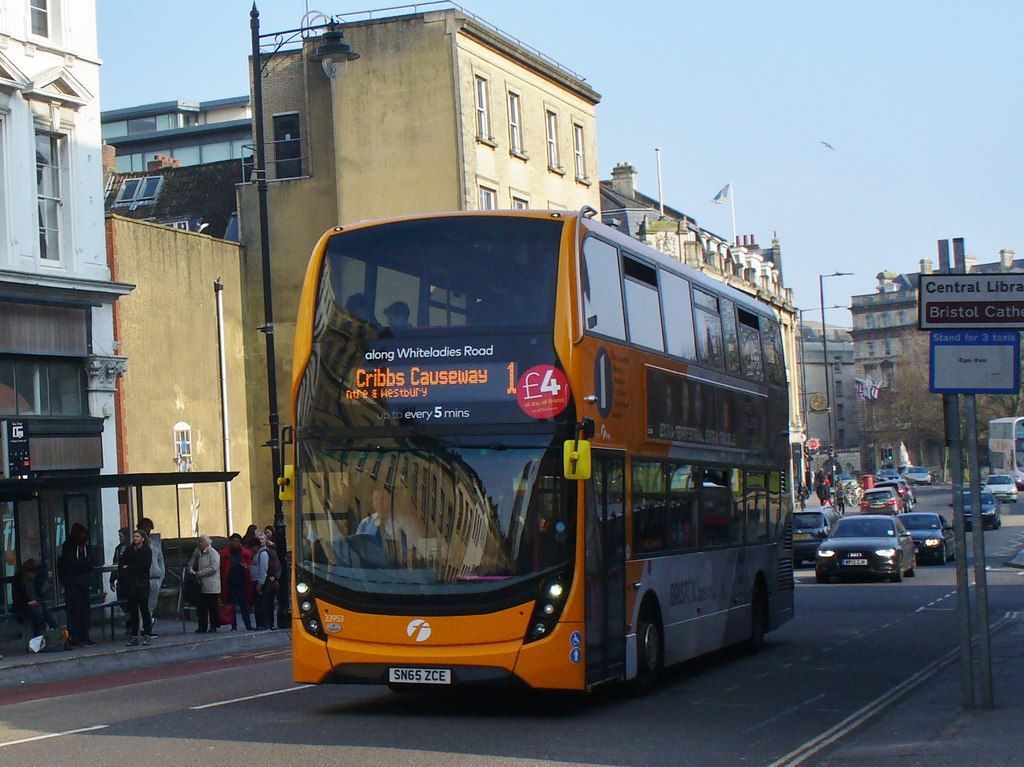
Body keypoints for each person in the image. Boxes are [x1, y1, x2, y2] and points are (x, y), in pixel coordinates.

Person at [57, 522, 95, 647]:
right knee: (74, 612)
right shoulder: (68, 547)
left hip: (83, 584)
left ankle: (84, 636)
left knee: (85, 611)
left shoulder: (86, 548)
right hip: (72, 584)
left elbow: (90, 564)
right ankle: (74, 636)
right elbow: (70, 564)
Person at [119, 528, 154, 646]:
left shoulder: (147, 550)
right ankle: (134, 635)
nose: (135, 538)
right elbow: (122, 564)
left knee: (144, 610)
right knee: (133, 611)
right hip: (131, 585)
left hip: (142, 584)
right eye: (134, 536)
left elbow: (145, 566)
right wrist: (128, 570)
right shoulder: (129, 550)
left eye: (138, 536)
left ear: (143, 538)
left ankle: (147, 634)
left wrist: (130, 567)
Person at [12, 559, 58, 638]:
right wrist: (28, 602)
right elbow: (17, 598)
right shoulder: (18, 580)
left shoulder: (35, 580)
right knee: (37, 614)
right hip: (23, 606)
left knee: (46, 614)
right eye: (32, 574)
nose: (33, 576)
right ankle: (39, 637)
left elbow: (39, 594)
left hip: (35, 604)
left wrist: (37, 601)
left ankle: (56, 632)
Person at [187, 535, 221, 633]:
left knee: (212, 607)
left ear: (207, 542)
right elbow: (191, 564)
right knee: (201, 607)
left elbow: (213, 568)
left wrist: (200, 573)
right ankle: (202, 626)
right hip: (200, 585)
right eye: (198, 541)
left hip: (211, 585)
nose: (199, 543)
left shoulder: (213, 553)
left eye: (201, 541)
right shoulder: (197, 553)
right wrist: (191, 570)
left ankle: (213, 626)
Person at [220, 533, 254, 631]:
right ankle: (233, 625)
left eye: (237, 541)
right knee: (231, 605)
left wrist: (247, 568)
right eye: (233, 541)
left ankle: (248, 624)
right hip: (229, 582)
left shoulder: (246, 553)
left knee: (244, 605)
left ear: (240, 543)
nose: (235, 543)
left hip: (242, 582)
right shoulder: (223, 553)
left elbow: (251, 566)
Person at [137, 517, 165, 626]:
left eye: (149, 528)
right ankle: (141, 627)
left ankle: (147, 626)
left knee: (151, 606)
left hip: (155, 578)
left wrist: (161, 578)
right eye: (145, 528)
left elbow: (161, 560)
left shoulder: (155, 544)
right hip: (143, 579)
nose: (148, 531)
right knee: (142, 605)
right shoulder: (136, 544)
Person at [251, 533, 272, 630]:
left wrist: (260, 583)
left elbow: (263, 569)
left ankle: (264, 624)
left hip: (261, 582)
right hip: (256, 581)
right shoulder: (258, 554)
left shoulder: (262, 554)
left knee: (262, 604)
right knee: (258, 604)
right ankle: (260, 623)